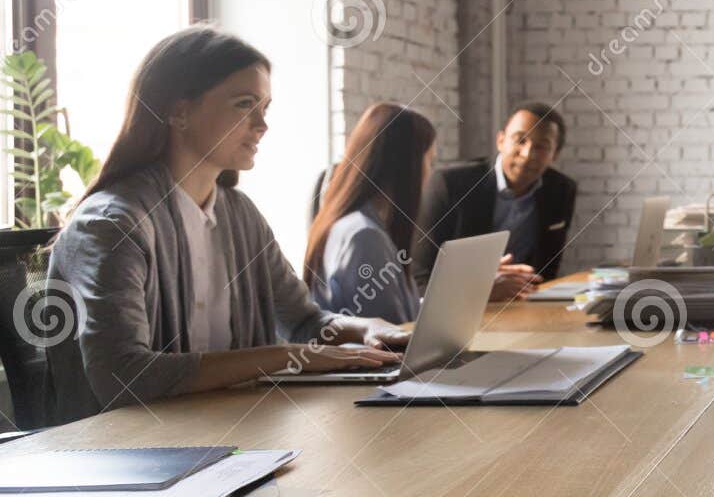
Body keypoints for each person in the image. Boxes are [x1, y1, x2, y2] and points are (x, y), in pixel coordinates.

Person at [44, 27, 408, 425]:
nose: (261, 125)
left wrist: (366, 327)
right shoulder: (112, 225)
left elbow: (304, 322)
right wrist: (284, 358)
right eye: (244, 104)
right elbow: (125, 378)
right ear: (179, 111)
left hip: (231, 435)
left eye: (264, 108)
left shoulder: (240, 215)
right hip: (126, 457)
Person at [413, 102, 577, 300]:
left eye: (542, 146)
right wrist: (479, 287)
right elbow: (420, 276)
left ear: (555, 155)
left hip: (522, 304)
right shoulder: (449, 185)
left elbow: (547, 271)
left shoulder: (561, 190)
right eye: (520, 140)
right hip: (458, 305)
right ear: (500, 141)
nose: (527, 154)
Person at [304, 102, 436, 324]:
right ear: (408, 167)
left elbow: (398, 311)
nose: (430, 172)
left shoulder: (353, 224)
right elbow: (391, 335)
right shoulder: (364, 236)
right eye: (430, 161)